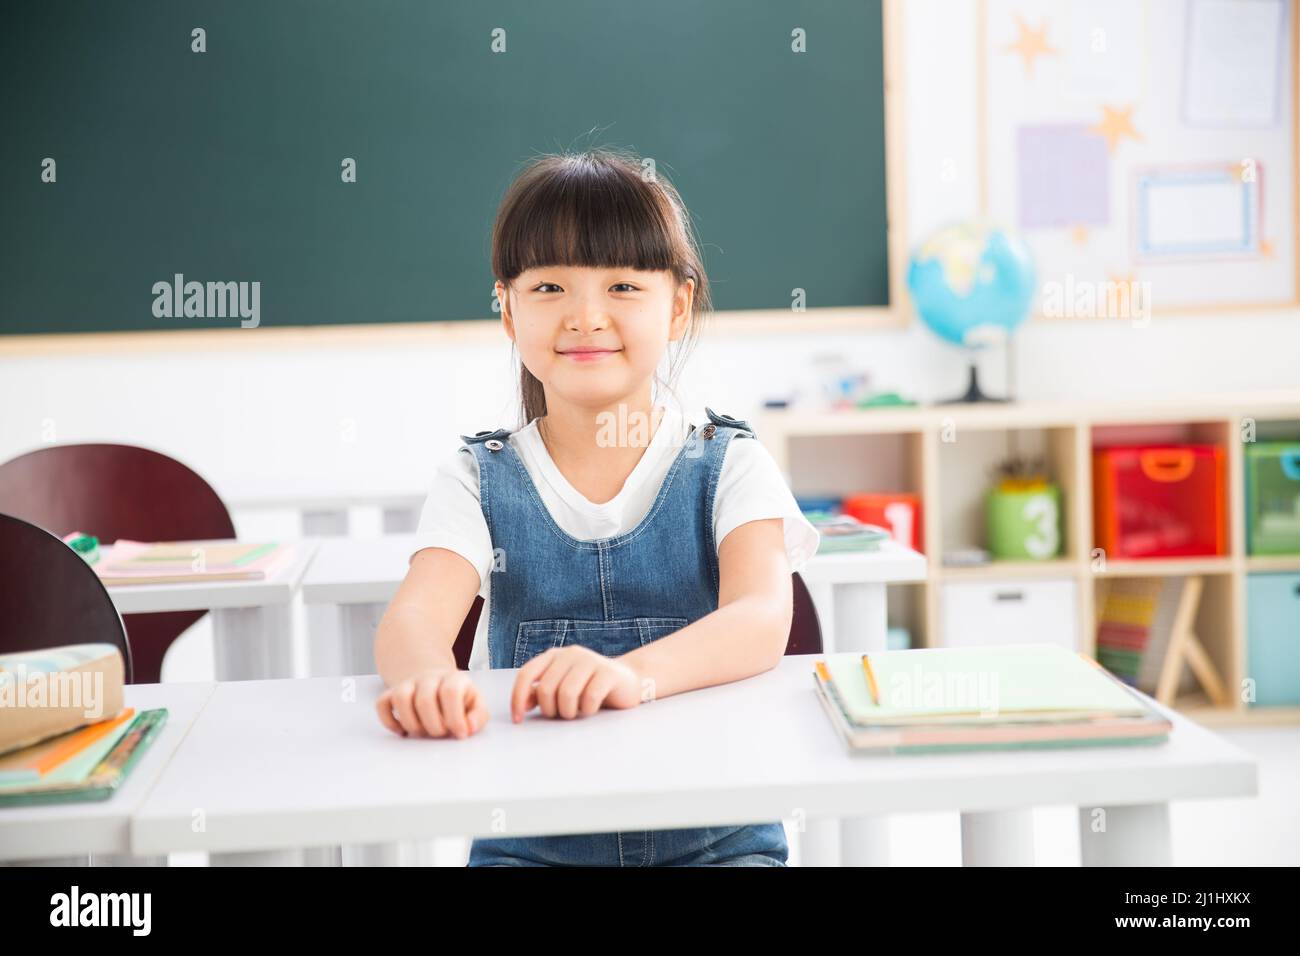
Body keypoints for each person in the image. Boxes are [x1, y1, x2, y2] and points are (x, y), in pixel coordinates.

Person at [374, 148, 819, 866]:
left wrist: (630, 675)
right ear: (507, 309)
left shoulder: (730, 464)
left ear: (677, 306)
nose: (585, 317)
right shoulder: (476, 478)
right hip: (530, 848)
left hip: (719, 842)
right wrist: (426, 677)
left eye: (621, 285)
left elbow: (762, 619)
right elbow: (415, 618)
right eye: (549, 286)